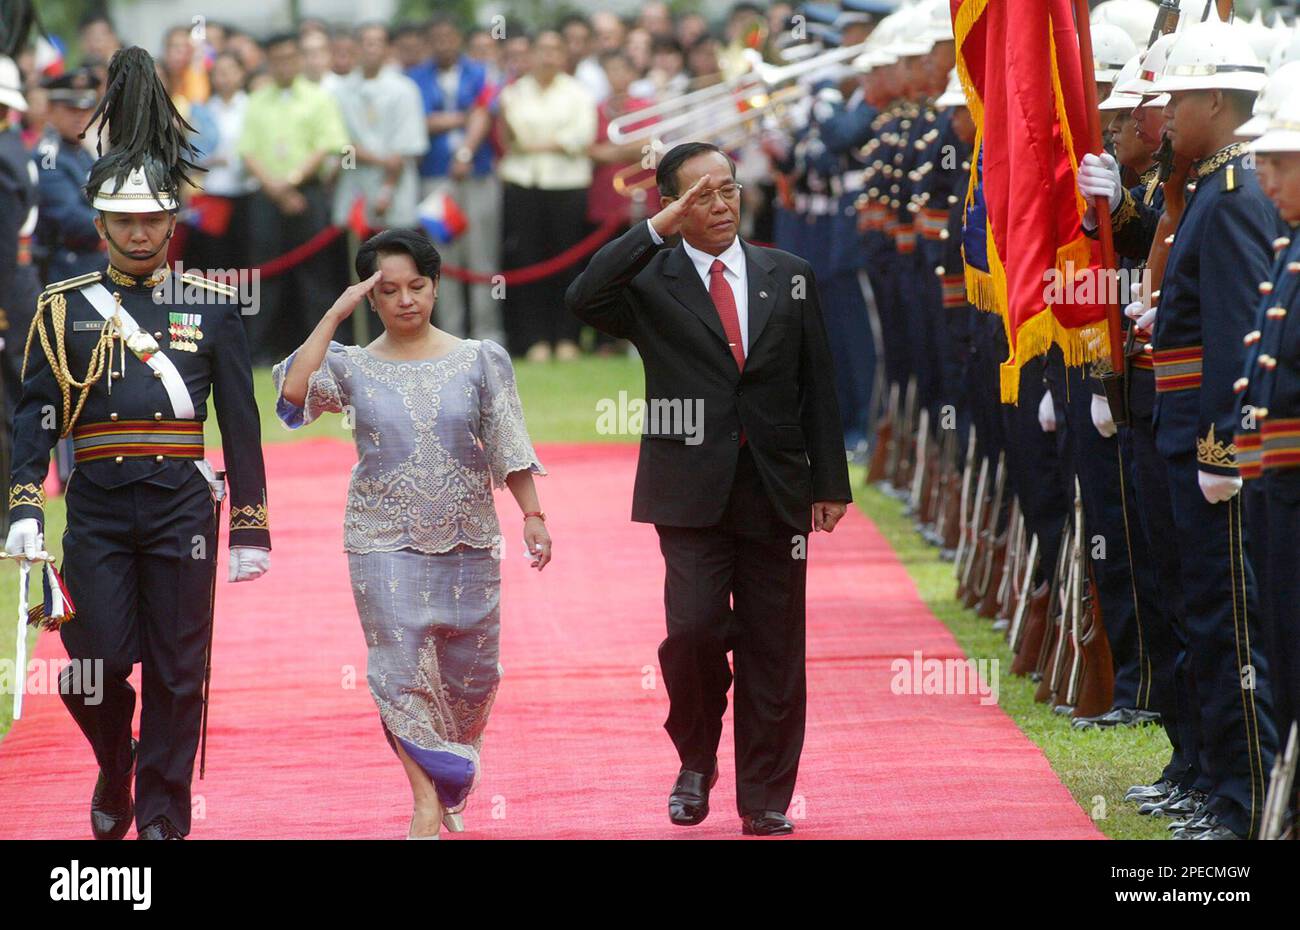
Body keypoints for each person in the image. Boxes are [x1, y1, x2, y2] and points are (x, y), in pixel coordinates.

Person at [4, 46, 271, 840]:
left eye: (153, 218)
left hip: (182, 506)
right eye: (125, 220)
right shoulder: (61, 306)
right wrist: (22, 504)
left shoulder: (214, 306)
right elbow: (34, 414)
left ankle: (161, 816)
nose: (140, 231)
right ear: (102, 223)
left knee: (180, 674)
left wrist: (251, 519)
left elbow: (242, 421)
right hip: (95, 506)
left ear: (172, 221)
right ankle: (115, 766)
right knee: (93, 667)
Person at [565, 142, 852, 835]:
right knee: (693, 630)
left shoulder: (788, 274)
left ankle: (765, 799)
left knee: (774, 647)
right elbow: (582, 296)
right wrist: (659, 228)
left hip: (776, 486)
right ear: (671, 204)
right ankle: (697, 757)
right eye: (702, 197)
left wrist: (829, 481)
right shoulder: (650, 280)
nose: (722, 206)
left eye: (728, 190)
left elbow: (818, 384)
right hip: (688, 489)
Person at [273, 228, 549, 839]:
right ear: (370, 299)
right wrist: (333, 314)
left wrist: (533, 514)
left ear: (436, 284)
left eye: (416, 286)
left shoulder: (479, 358)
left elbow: (508, 441)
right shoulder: (349, 366)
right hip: (380, 537)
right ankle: (425, 802)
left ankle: (449, 773)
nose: (405, 301)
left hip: (470, 537)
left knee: (471, 680)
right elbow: (293, 393)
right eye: (389, 291)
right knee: (397, 670)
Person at [238, 32, 350, 364]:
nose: (284, 64)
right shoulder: (256, 100)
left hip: (308, 194)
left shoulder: (318, 98)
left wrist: (292, 183)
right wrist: (276, 188)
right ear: (268, 62)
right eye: (277, 59)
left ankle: (324, 350)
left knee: (315, 276)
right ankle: (258, 352)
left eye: (290, 57)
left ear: (299, 59)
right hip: (265, 196)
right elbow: (247, 151)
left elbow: (327, 144)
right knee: (265, 275)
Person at [498, 30, 596, 361]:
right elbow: (515, 139)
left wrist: (539, 144)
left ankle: (567, 337)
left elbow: (581, 137)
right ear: (532, 53)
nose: (549, 56)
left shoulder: (578, 93)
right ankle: (535, 339)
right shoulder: (514, 92)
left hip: (567, 186)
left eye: (556, 49)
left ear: (564, 55)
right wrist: (551, 142)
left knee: (568, 262)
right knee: (528, 261)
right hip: (524, 184)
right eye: (543, 49)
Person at [407, 16, 501, 343]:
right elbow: (419, 122)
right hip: (435, 178)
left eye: (449, 36)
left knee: (481, 256)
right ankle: (449, 336)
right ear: (429, 41)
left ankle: (487, 334)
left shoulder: (480, 72)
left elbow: (486, 113)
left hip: (477, 175)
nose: (444, 43)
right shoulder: (415, 77)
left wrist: (465, 152)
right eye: (437, 37)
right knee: (443, 259)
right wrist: (462, 116)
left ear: (458, 38)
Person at [331, 23, 428, 234]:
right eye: (365, 43)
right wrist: (368, 159)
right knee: (356, 258)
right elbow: (341, 146)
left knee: (395, 253)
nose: (370, 49)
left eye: (376, 43)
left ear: (388, 49)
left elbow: (406, 147)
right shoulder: (340, 91)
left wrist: (386, 191)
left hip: (396, 186)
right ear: (355, 48)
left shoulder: (404, 89)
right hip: (355, 183)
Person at [31, 68, 104, 285]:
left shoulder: (81, 151)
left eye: (86, 109)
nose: (80, 116)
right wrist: (118, 224)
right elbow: (69, 217)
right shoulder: (48, 155)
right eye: (71, 109)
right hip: (65, 265)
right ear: (51, 110)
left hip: (90, 260)